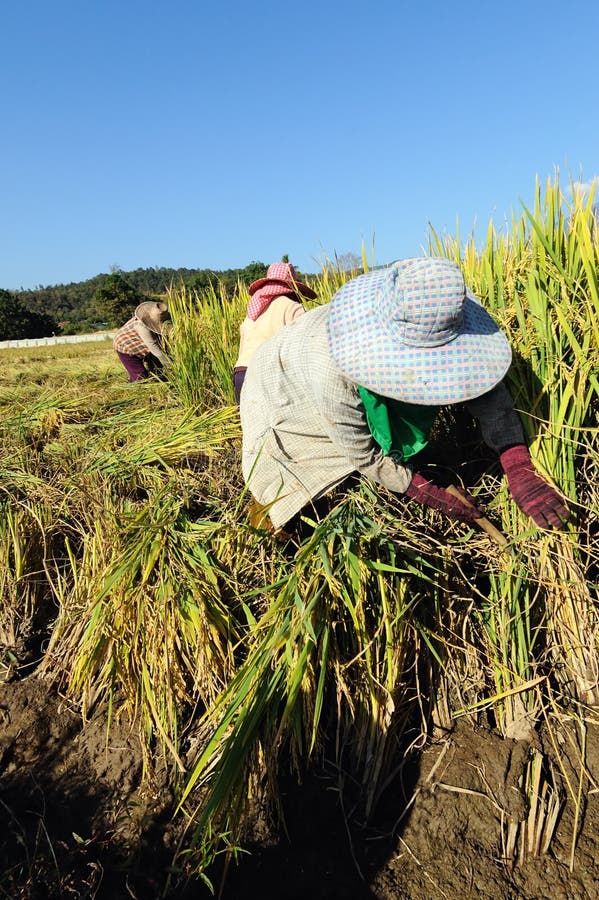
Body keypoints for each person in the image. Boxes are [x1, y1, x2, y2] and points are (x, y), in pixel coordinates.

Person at [240, 257, 570, 533]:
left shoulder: (432, 312)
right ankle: (276, 538)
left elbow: (486, 392)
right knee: (303, 495)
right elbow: (361, 450)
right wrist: (421, 490)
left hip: (306, 369)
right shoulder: (331, 363)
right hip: (278, 389)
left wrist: (517, 464)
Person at [233, 262, 316, 403]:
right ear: (292, 287)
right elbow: (306, 347)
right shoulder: (292, 307)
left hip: (241, 374)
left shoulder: (252, 312)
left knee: (250, 424)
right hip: (268, 374)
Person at [113, 301, 171, 382]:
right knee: (140, 378)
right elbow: (153, 347)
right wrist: (170, 365)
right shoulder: (141, 326)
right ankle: (134, 381)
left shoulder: (160, 320)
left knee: (160, 372)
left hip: (145, 345)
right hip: (126, 347)